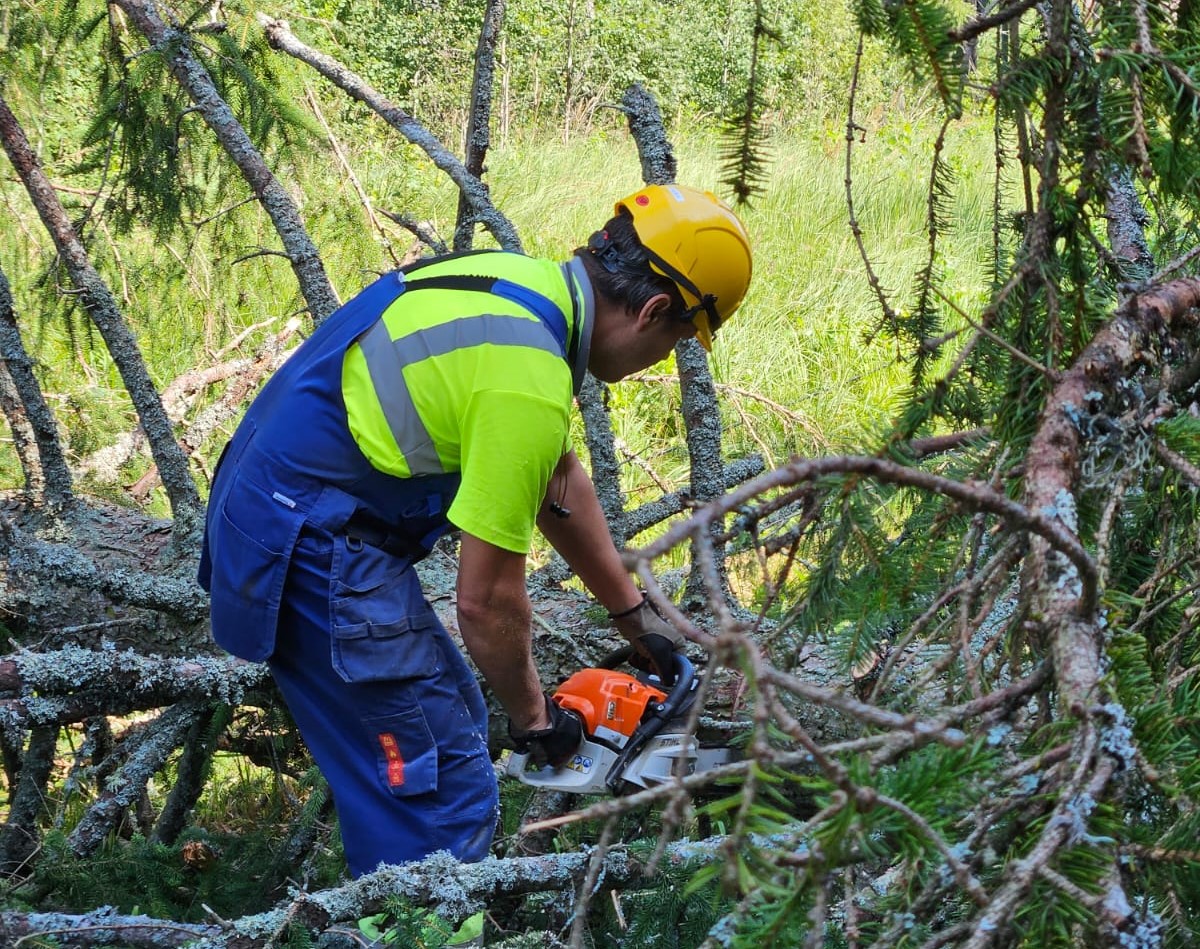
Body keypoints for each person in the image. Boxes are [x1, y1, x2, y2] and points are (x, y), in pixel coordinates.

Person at [198, 183, 753, 877]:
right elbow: (484, 602)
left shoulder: (521, 287)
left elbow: (558, 480)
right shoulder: (526, 379)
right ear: (655, 309)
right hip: (308, 544)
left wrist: (635, 621)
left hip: (275, 507)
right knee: (443, 793)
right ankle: (408, 922)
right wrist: (537, 720)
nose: (667, 358)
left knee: (454, 711)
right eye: (677, 341)